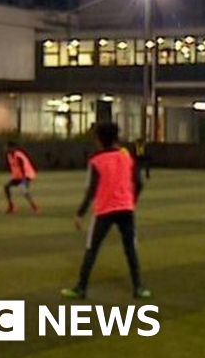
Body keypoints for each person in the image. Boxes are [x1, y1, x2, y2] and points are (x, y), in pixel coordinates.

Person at [62, 122, 150, 299]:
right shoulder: (126, 156)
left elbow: (92, 190)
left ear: (99, 139)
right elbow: (139, 183)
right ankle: (138, 288)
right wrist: (132, 201)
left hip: (104, 210)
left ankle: (81, 288)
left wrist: (80, 213)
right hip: (126, 209)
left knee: (92, 249)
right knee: (130, 249)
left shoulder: (96, 160)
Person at [4, 141, 39, 214]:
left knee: (22, 189)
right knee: (6, 187)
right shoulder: (9, 155)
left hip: (26, 175)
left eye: (7, 147)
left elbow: (23, 167)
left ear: (12, 148)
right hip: (17, 176)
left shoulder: (18, 155)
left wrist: (24, 179)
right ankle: (11, 207)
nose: (6, 148)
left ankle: (34, 207)